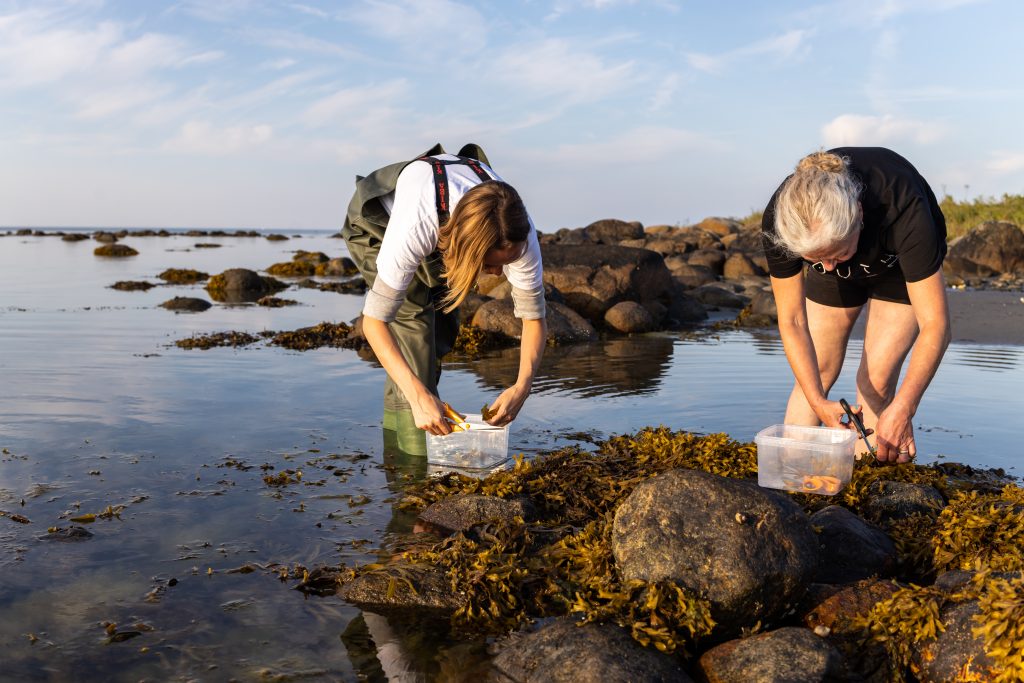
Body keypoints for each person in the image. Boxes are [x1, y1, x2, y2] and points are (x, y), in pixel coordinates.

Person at [342, 143, 546, 453]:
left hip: (450, 224)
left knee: (441, 331)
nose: (497, 273)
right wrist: (418, 395)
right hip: (379, 226)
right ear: (467, 250)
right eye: (490, 264)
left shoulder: (518, 232)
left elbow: (534, 318)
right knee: (415, 333)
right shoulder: (415, 227)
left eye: (507, 263)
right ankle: (409, 471)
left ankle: (413, 430)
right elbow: (373, 323)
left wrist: (522, 386)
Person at [761, 147, 952, 463]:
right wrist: (818, 401)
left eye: (837, 255)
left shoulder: (902, 204)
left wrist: (905, 406)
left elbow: (936, 325)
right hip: (830, 239)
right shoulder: (784, 220)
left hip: (898, 266)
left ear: (860, 215)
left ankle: (878, 483)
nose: (830, 268)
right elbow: (793, 322)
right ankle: (791, 476)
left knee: (874, 382)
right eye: (816, 261)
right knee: (817, 373)